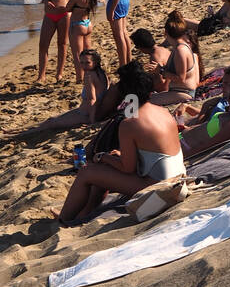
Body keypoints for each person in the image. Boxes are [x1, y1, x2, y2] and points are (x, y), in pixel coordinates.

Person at [57, 62, 185, 225]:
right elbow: (151, 152)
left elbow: (127, 168)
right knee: (108, 165)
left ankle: (63, 220)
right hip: (178, 176)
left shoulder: (130, 123)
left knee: (86, 172)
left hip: (161, 187)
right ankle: (84, 213)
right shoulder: (162, 111)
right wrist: (113, 158)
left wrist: (102, 157)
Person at [30, 50, 109, 132]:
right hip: (94, 111)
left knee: (50, 123)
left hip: (86, 114)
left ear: (95, 62)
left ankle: (20, 136)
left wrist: (92, 122)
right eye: (81, 63)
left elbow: (92, 100)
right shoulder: (102, 73)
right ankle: (22, 132)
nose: (84, 66)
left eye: (87, 63)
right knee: (50, 120)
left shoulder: (89, 76)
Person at [36, 0, 73, 82]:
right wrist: (46, 1)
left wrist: (69, 7)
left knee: (62, 44)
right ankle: (41, 75)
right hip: (49, 16)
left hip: (64, 16)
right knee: (42, 45)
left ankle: (59, 73)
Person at [151, 16, 200, 105]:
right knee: (142, 99)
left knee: (143, 102)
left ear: (165, 33)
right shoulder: (181, 46)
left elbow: (180, 79)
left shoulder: (180, 50)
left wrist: (161, 70)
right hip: (180, 91)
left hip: (184, 93)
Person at [67, 0, 97, 80]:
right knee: (88, 53)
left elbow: (67, 8)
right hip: (88, 23)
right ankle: (90, 75)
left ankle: (80, 78)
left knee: (78, 54)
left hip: (77, 24)